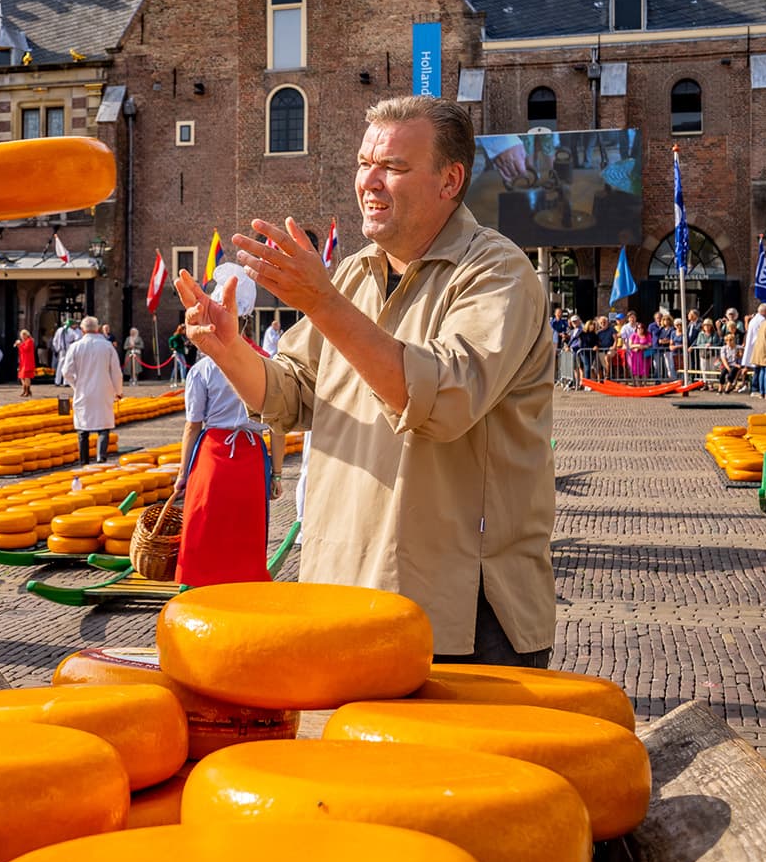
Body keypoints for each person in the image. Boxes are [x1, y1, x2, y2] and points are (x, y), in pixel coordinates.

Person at [176, 95, 555, 666]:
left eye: (394, 168)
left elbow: (442, 401)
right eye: (363, 163)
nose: (369, 182)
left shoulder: (497, 272)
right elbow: (289, 394)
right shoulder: (353, 274)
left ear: (450, 180)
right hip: (345, 590)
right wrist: (228, 350)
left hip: (459, 612)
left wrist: (321, 301)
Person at [174, 264, 278, 587]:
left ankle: (201, 587)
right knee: (245, 529)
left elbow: (193, 426)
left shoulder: (203, 370)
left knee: (205, 524)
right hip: (250, 455)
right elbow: (277, 423)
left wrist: (181, 475)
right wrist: (277, 473)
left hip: (213, 454)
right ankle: (244, 587)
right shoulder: (265, 361)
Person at [61, 314, 123, 464]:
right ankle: (101, 457)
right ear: (98, 329)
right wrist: (118, 391)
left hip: (83, 392)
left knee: (83, 428)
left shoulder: (76, 347)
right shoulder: (107, 346)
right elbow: (116, 371)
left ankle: (84, 461)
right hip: (104, 390)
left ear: (82, 330)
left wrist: (76, 385)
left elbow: (66, 372)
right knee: (103, 426)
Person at [746, 304, 766, 398]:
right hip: (765, 348)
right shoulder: (765, 321)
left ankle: (759, 390)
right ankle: (764, 391)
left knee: (759, 370)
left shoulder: (754, 320)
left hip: (757, 348)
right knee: (764, 370)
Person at [50, 318, 81, 387]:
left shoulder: (60, 330)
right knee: (68, 364)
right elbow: (78, 338)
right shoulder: (72, 331)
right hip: (68, 349)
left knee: (60, 365)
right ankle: (65, 382)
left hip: (62, 349)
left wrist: (57, 348)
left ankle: (57, 381)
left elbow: (55, 340)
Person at [15, 328, 37, 398]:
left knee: (26, 376)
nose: (21, 337)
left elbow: (26, 349)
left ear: (25, 335)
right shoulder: (25, 342)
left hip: (28, 361)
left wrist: (19, 345)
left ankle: (27, 391)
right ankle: (26, 390)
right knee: (22, 376)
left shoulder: (29, 341)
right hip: (23, 361)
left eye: (22, 335)